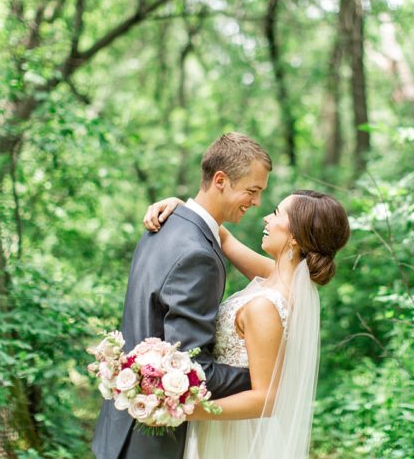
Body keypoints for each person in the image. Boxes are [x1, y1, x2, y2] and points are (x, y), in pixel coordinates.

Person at [91, 132, 273, 459]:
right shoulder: (198, 256)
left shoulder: (165, 222)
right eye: (252, 191)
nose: (257, 202)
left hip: (118, 429)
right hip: (153, 440)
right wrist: (266, 382)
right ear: (220, 180)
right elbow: (193, 368)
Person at [143, 189, 350, 458]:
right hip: (226, 421)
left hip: (233, 435)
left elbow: (266, 398)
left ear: (295, 237)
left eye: (276, 213)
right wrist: (181, 207)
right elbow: (224, 237)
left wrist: (183, 409)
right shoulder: (284, 280)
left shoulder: (266, 307)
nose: (266, 218)